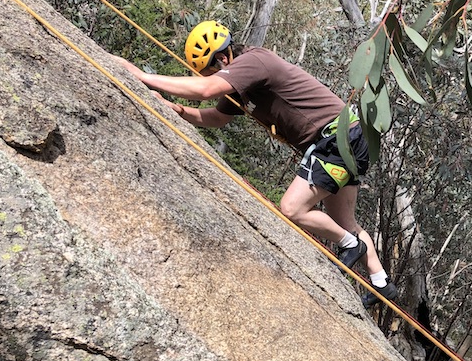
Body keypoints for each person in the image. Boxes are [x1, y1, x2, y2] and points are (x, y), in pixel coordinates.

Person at [114, 21, 396, 307]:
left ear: (223, 58)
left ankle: (351, 245)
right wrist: (179, 110)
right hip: (349, 138)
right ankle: (381, 282)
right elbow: (216, 117)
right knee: (344, 222)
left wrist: (140, 75)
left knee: (292, 209)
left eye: (214, 69)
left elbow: (207, 90)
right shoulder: (241, 86)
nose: (218, 76)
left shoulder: (253, 61)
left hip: (336, 139)